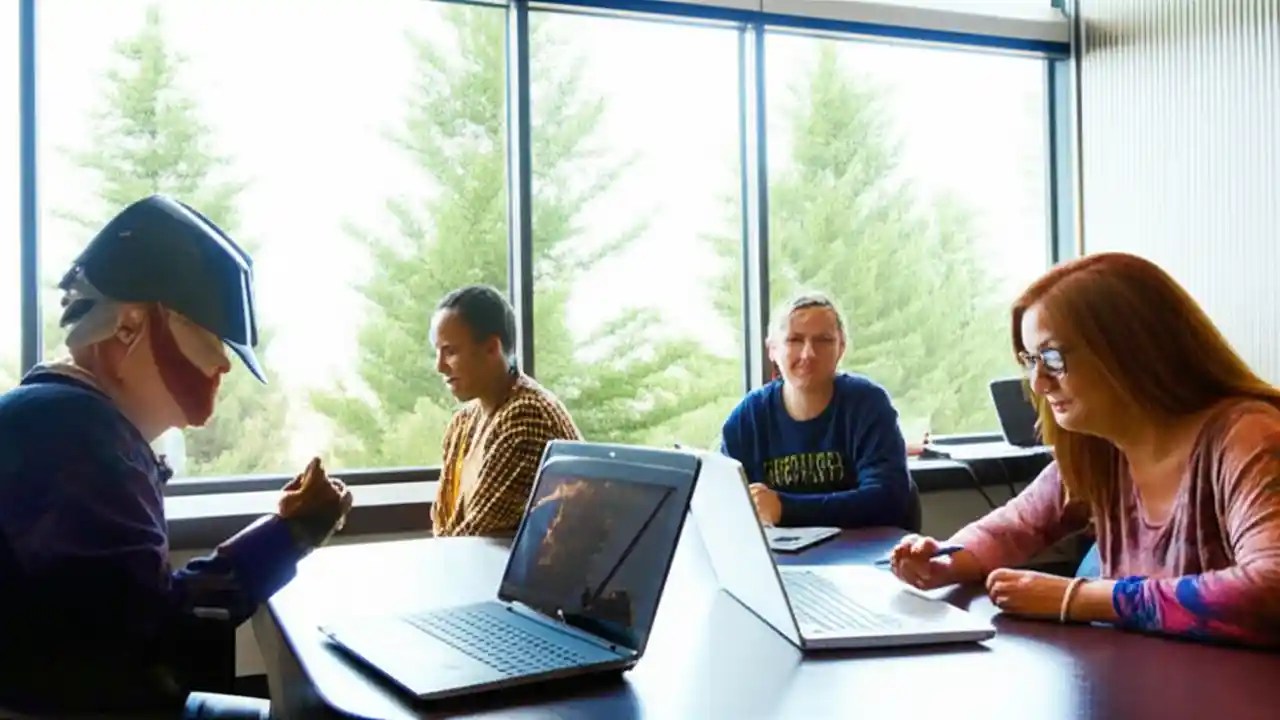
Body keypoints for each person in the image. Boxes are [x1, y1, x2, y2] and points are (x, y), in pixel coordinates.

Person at [0, 195, 353, 718]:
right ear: (128, 327)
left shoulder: (56, 419)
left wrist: (284, 533)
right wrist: (289, 535)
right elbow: (159, 647)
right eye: (211, 339)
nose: (223, 366)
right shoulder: (79, 439)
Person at [888, 252, 1280, 648]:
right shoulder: (1101, 450)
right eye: (1031, 361)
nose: (1038, 384)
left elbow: (1272, 585)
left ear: (1131, 349)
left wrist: (1077, 598)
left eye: (1053, 358)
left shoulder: (1248, 436)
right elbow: (1013, 528)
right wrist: (945, 561)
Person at [719, 292, 911, 529]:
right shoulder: (748, 417)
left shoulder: (868, 405)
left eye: (823, 341)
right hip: (778, 552)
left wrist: (785, 509)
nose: (808, 354)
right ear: (772, 350)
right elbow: (723, 503)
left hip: (862, 549)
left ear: (841, 348)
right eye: (795, 340)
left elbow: (889, 500)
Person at [430, 285, 582, 536]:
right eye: (437, 352)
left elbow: (476, 538)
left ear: (492, 348)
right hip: (475, 559)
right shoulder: (463, 422)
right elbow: (445, 528)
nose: (440, 367)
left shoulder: (528, 416)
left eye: (451, 352)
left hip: (542, 562)